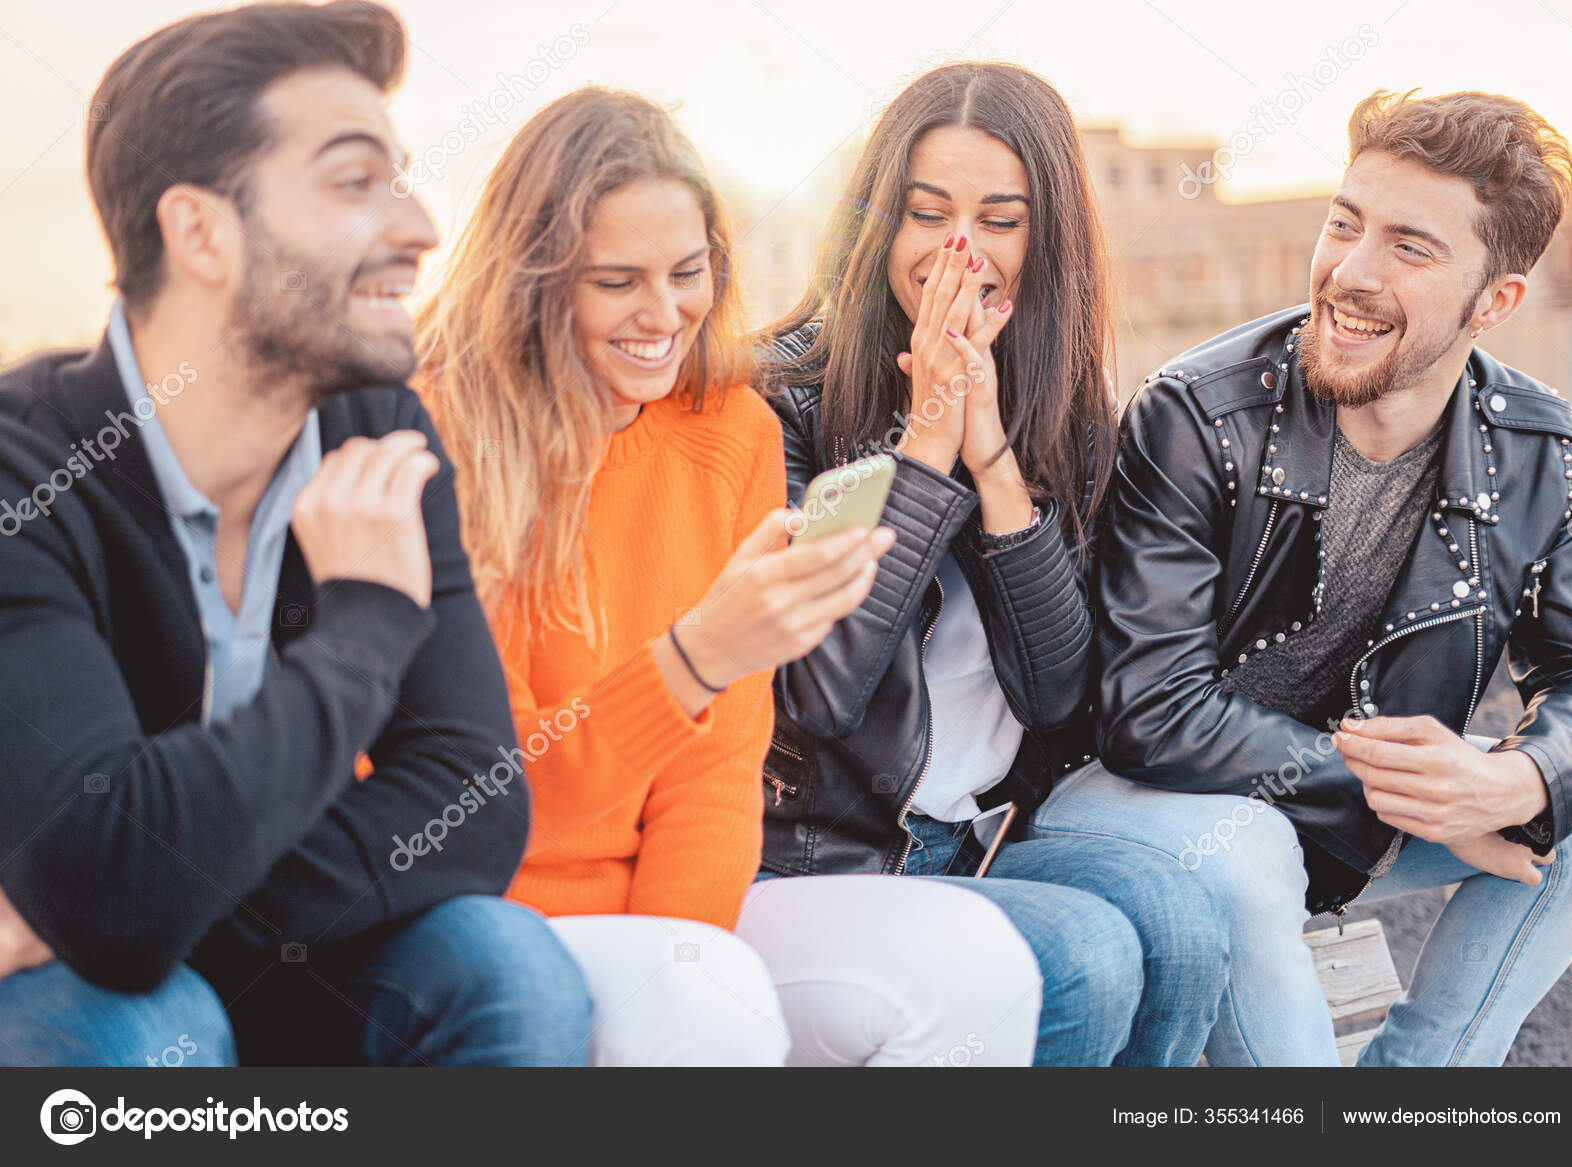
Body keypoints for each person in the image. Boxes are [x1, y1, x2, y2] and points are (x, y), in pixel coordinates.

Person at [0, 1, 592, 1066]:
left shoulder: (376, 429)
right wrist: (362, 628)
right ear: (201, 233)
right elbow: (111, 899)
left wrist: (150, 902)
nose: (417, 228)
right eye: (356, 182)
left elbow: (475, 800)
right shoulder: (26, 476)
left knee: (505, 969)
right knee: (152, 1029)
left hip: (220, 962)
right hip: (63, 1006)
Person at [417, 86, 1061, 1067]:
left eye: (687, 272)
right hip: (486, 907)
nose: (664, 315)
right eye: (616, 282)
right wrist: (689, 661)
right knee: (700, 1008)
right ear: (535, 277)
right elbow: (488, 795)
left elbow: (719, 769)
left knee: (980, 970)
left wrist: (683, 947)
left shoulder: (726, 429)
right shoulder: (438, 441)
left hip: (680, 909)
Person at [1054, 88, 1572, 1065]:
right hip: (1131, 805)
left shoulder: (1533, 441)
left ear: (1496, 301)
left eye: (1409, 247)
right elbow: (1147, 714)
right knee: (1250, 848)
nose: (1348, 273)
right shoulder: (1198, 413)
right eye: (1344, 224)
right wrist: (1409, 800)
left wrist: (1510, 780)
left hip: (1341, 825)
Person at [746, 61, 1229, 1066]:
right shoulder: (783, 403)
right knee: (1087, 956)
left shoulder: (1066, 418)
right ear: (879, 225)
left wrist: (992, 459)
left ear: (1044, 240)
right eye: (927, 214)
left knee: (1180, 927)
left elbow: (1055, 693)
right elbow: (821, 686)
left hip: (982, 841)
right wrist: (922, 447)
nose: (959, 248)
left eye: (999, 219)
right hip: (818, 862)